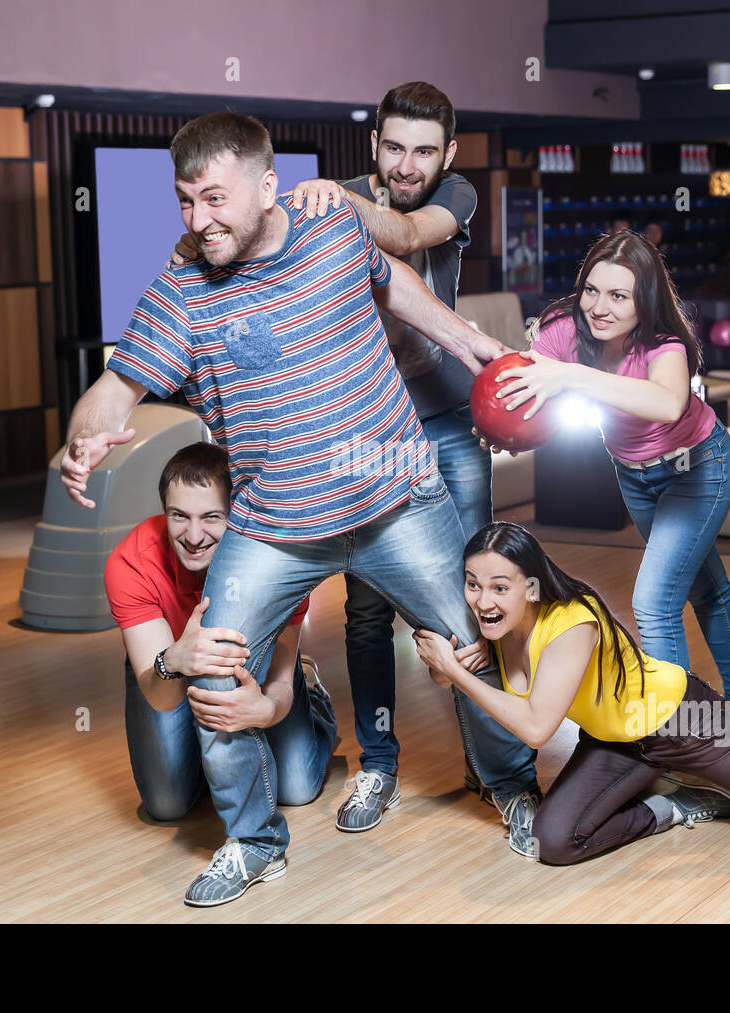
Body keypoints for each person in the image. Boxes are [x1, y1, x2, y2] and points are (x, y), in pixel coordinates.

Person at [62, 111, 540, 907]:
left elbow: (396, 283)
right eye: (185, 202)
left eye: (214, 198)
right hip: (275, 527)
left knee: (472, 646)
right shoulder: (182, 290)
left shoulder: (331, 229)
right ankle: (254, 842)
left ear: (267, 184)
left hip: (397, 502)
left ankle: (508, 783)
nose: (198, 219)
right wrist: (83, 438)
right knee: (215, 671)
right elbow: (116, 385)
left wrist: (464, 339)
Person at [286, 82, 510, 832]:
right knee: (365, 611)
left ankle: (496, 767)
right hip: (367, 438)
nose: (408, 163)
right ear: (373, 145)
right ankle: (378, 763)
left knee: (476, 603)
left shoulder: (456, 194)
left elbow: (408, 237)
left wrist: (330, 201)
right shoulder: (334, 198)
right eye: (394, 147)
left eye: (424, 149)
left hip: (447, 426)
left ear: (446, 153)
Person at [413, 521, 730, 865]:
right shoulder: (499, 624)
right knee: (552, 842)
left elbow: (536, 729)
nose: (482, 599)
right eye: (473, 584)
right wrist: (450, 666)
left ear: (530, 587)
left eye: (499, 586)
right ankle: (675, 804)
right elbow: (445, 678)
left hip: (685, 722)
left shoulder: (575, 623)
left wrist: (455, 670)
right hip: (616, 743)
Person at [483, 231, 730, 737]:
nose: (599, 307)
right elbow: (536, 402)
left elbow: (667, 404)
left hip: (699, 468)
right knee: (708, 591)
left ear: (646, 300)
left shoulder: (666, 347)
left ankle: (681, 742)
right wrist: (504, 430)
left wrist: (572, 376)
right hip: (636, 477)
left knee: (654, 603)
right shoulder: (559, 330)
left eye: (619, 296)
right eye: (592, 290)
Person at [103, 441, 335, 831]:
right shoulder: (131, 563)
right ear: (164, 512)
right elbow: (161, 695)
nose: (193, 536)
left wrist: (270, 709)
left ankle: (315, 701)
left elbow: (278, 679)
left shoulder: (279, 556)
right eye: (179, 515)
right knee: (167, 804)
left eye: (212, 517)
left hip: (253, 665)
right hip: (165, 667)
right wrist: (174, 660)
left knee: (296, 789)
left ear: (237, 513)